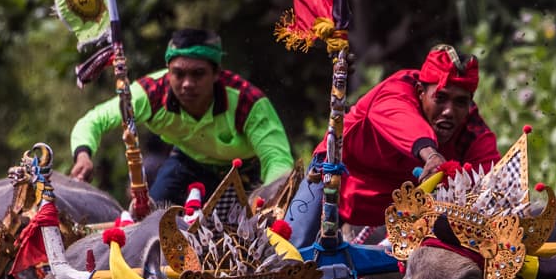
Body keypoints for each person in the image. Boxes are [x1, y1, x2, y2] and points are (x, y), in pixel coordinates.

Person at [288, 44, 501, 243]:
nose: (449, 111)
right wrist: (432, 156)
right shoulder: (397, 90)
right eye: (440, 98)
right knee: (292, 254)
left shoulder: (473, 133)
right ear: (420, 92)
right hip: (332, 179)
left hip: (396, 211)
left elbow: (492, 185)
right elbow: (402, 119)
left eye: (460, 102)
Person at [69, 28, 294, 203]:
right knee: (150, 224)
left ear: (217, 73)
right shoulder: (150, 93)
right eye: (178, 73)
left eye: (198, 74)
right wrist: (83, 155)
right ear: (168, 70)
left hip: (245, 172)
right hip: (186, 163)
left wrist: (269, 198)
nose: (187, 84)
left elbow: (279, 162)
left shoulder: (248, 102)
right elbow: (94, 120)